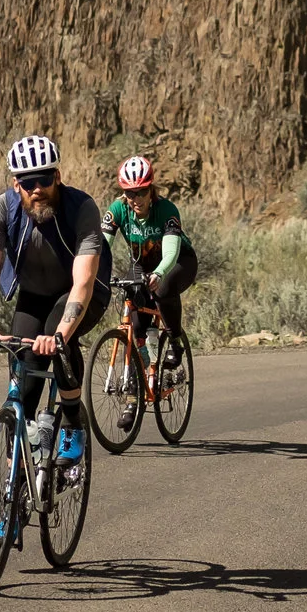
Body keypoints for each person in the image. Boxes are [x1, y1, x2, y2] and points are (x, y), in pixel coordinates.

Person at [0, 135, 111, 468]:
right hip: (34, 294)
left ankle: (73, 424)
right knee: (24, 378)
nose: (37, 189)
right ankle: (16, 477)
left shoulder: (81, 208)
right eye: (28, 182)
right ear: (15, 184)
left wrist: (59, 334)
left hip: (81, 292)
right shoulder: (2, 209)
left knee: (56, 338)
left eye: (44, 179)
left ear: (57, 177)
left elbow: (83, 282)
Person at [100, 155, 197, 427]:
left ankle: (175, 341)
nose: (136, 198)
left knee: (163, 290)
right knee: (137, 327)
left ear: (151, 189)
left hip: (178, 262)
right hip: (142, 265)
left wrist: (159, 273)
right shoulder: (118, 210)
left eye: (141, 192)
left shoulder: (166, 210)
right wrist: (92, 273)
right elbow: (101, 246)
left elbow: (170, 252)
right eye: (130, 193)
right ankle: (134, 397)